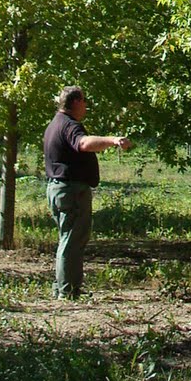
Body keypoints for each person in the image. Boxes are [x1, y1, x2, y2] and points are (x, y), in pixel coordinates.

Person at [43, 85, 131, 300]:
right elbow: (83, 143)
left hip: (59, 188)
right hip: (71, 191)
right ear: (75, 102)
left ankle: (65, 287)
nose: (86, 105)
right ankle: (67, 291)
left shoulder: (54, 124)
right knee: (72, 240)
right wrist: (113, 140)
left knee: (68, 238)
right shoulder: (69, 125)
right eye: (84, 101)